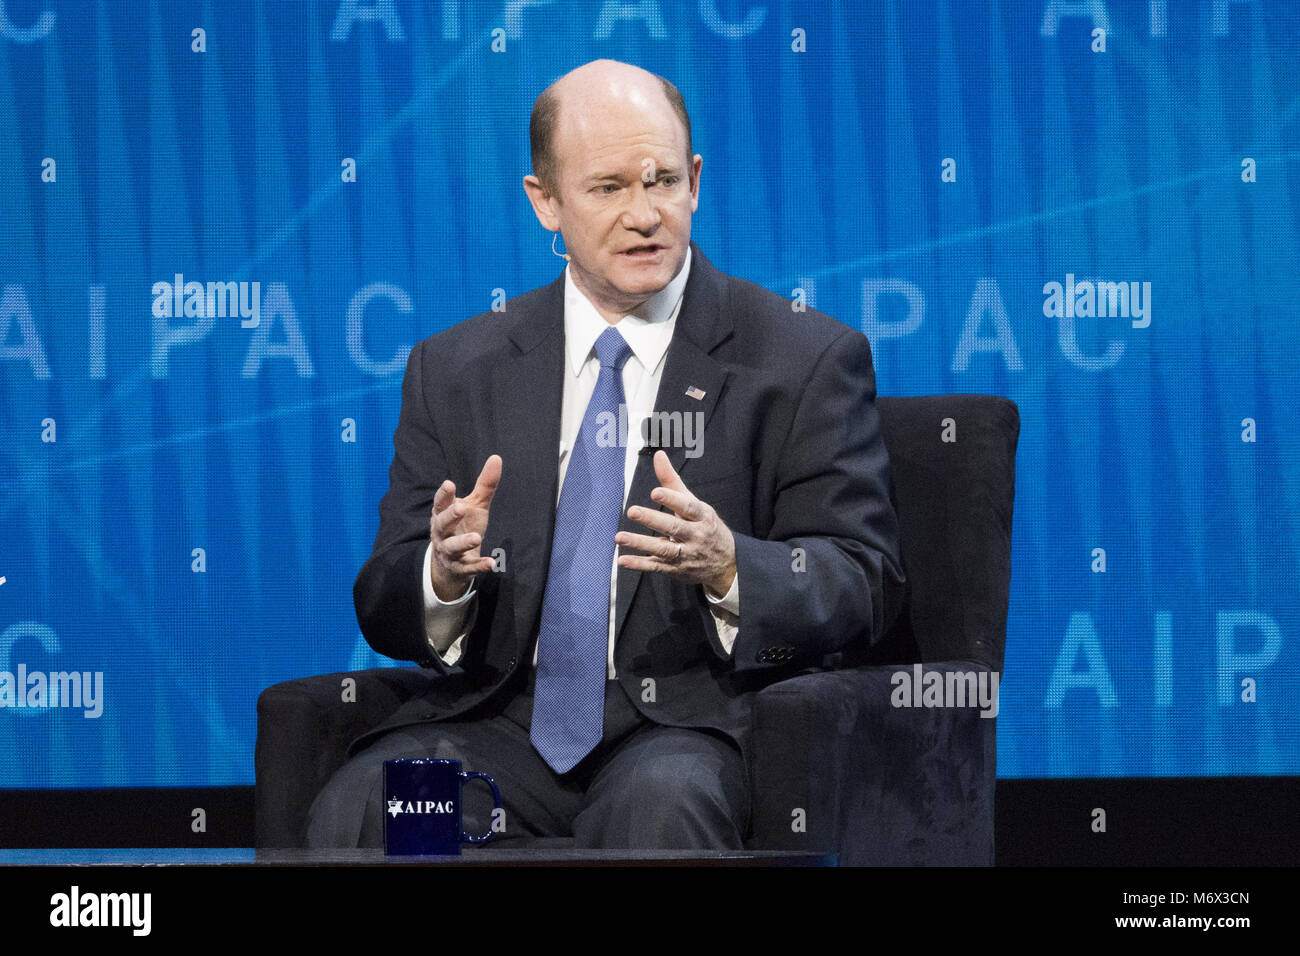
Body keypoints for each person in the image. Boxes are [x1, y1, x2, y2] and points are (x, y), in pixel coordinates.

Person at [306, 58, 905, 849]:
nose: (645, 213)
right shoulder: (455, 371)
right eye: (609, 188)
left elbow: (865, 578)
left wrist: (733, 566)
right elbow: (385, 595)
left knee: (657, 812)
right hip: (500, 729)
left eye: (662, 180)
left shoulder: (800, 358)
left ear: (695, 180)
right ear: (545, 202)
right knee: (376, 810)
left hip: (685, 729)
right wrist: (440, 577)